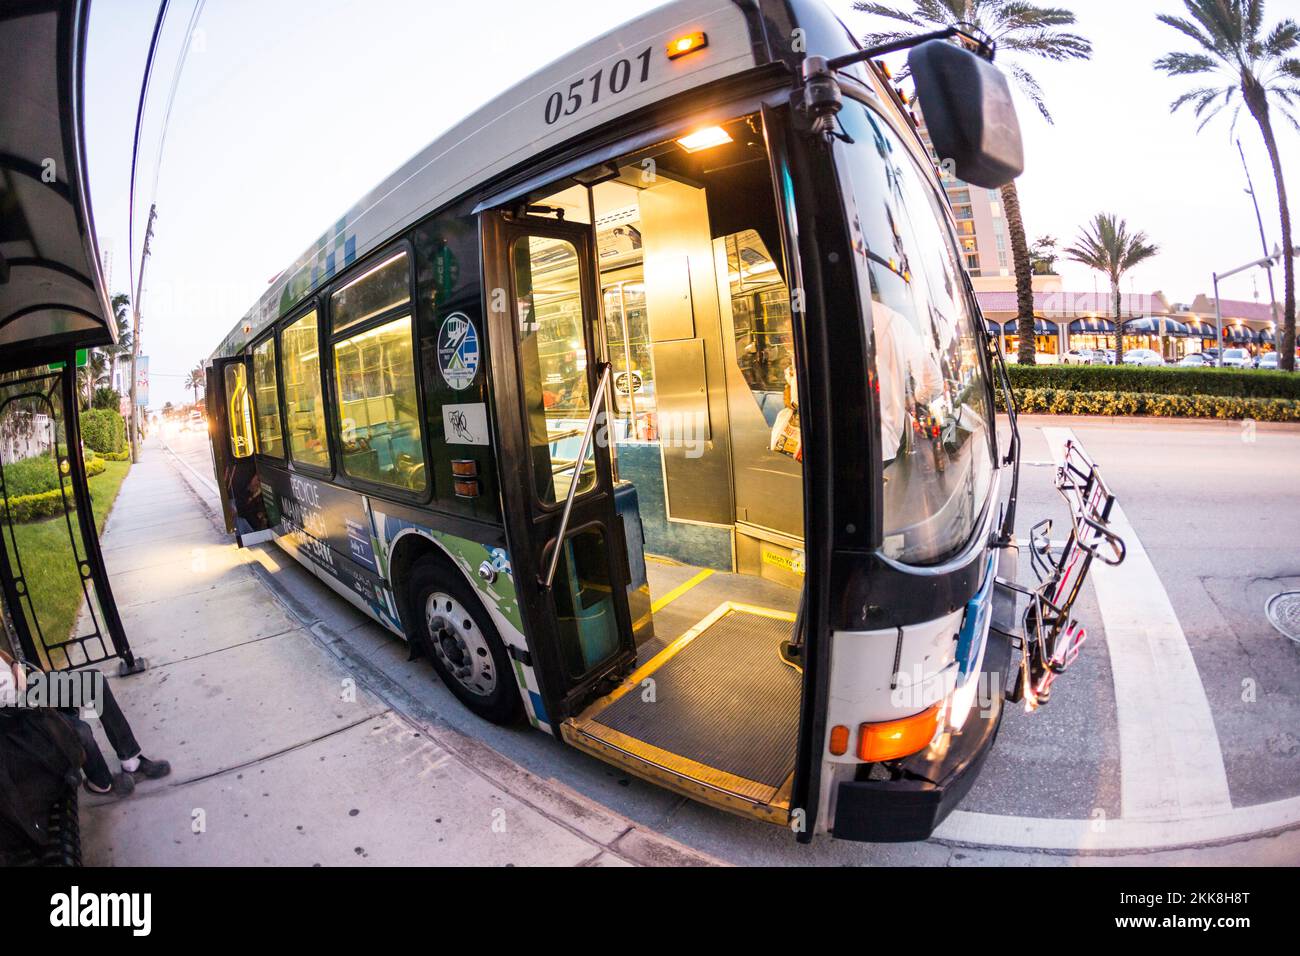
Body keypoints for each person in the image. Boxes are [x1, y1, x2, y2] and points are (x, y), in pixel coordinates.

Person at [0, 647, 170, 798]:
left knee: (94, 682)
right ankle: (101, 783)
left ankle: (132, 760)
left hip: (27, 690)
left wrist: (14, 665)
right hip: (13, 716)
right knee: (80, 731)